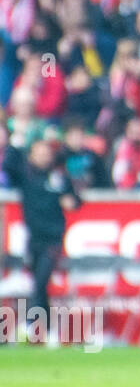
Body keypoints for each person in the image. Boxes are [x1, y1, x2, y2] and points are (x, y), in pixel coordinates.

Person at [4, 138, 80, 343]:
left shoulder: (58, 177)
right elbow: (8, 164)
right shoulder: (26, 176)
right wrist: (15, 140)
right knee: (39, 286)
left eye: (47, 153)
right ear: (31, 156)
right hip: (33, 238)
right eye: (39, 153)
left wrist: (71, 201)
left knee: (40, 282)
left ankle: (31, 325)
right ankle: (48, 330)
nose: (44, 157)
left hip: (53, 239)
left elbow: (75, 199)